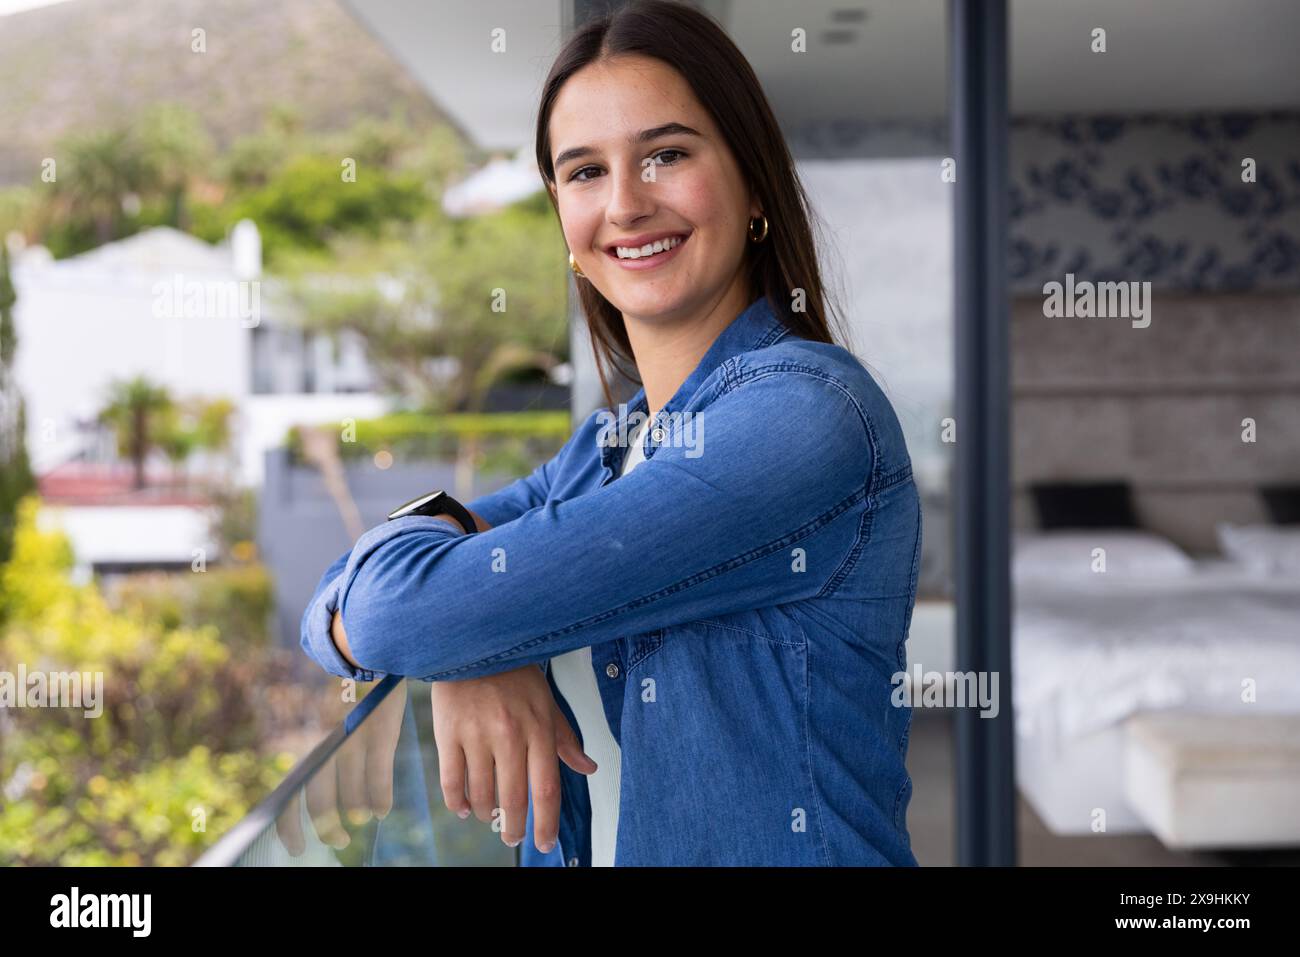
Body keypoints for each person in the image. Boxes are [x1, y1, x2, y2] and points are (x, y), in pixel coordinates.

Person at [301, 0, 922, 867]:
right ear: (563, 218)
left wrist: (468, 630)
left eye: (666, 154)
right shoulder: (604, 454)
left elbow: (397, 612)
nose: (626, 203)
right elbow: (343, 602)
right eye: (585, 171)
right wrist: (478, 646)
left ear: (753, 187)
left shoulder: (806, 420)